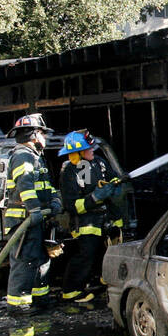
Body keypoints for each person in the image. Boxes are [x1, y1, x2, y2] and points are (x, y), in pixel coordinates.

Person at [2, 113, 62, 312]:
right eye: (43, 134)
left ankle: (39, 299)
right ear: (34, 134)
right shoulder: (22, 156)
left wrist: (54, 200)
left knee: (39, 260)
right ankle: (18, 305)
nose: (46, 138)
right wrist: (35, 209)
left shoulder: (36, 157)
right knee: (25, 262)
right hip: (23, 221)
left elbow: (46, 186)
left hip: (36, 220)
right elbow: (25, 186)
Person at [58, 129, 121, 303]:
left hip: (104, 219)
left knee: (106, 253)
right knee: (86, 255)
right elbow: (71, 205)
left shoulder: (99, 162)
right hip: (85, 222)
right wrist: (95, 197)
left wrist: (115, 185)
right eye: (89, 148)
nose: (93, 150)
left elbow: (112, 178)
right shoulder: (69, 171)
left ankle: (100, 284)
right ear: (77, 153)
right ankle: (71, 291)